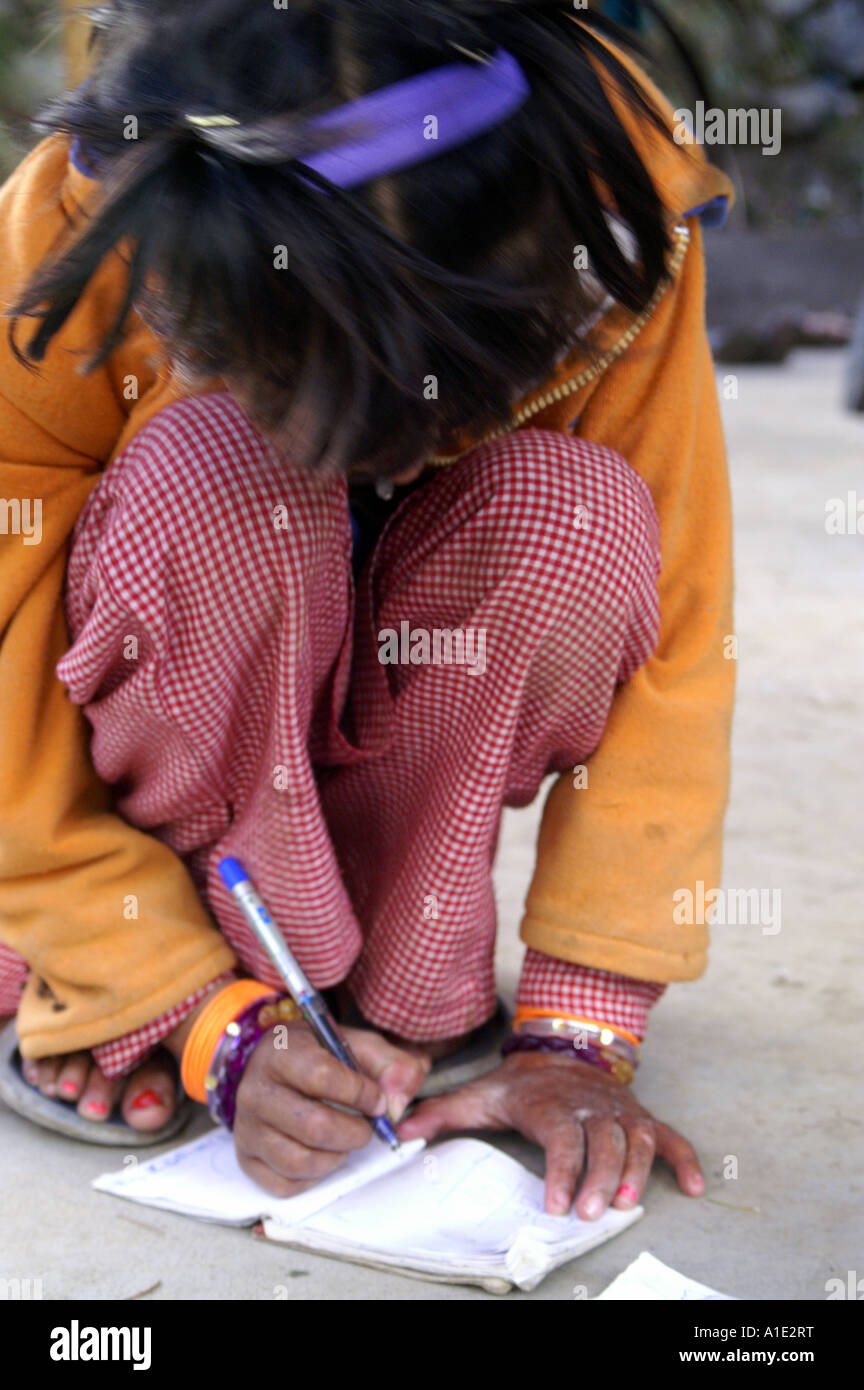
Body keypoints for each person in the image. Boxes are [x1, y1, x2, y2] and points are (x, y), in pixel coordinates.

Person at [0, 0, 733, 1218]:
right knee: (222, 480)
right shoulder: (72, 228)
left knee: (580, 512)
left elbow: (679, 645)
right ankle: (148, 953)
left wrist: (578, 1028)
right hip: (166, 707)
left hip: (404, 701)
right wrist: (157, 983)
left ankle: (396, 985)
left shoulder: (616, 211)